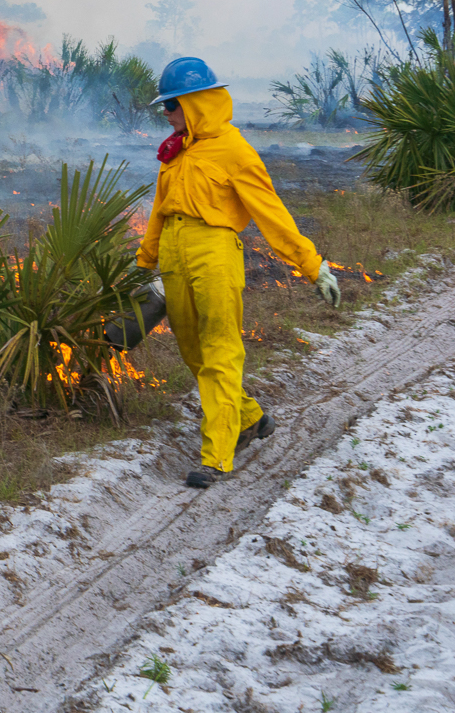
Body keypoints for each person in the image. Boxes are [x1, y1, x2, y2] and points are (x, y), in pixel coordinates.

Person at [136, 56, 341, 490]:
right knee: (193, 352)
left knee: (220, 351)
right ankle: (250, 418)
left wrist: (312, 265)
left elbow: (271, 213)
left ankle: (217, 456)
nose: (167, 114)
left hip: (213, 251)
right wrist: (144, 261)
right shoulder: (178, 149)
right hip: (174, 253)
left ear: (197, 103)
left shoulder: (234, 150)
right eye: (165, 108)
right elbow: (159, 210)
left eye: (171, 105)